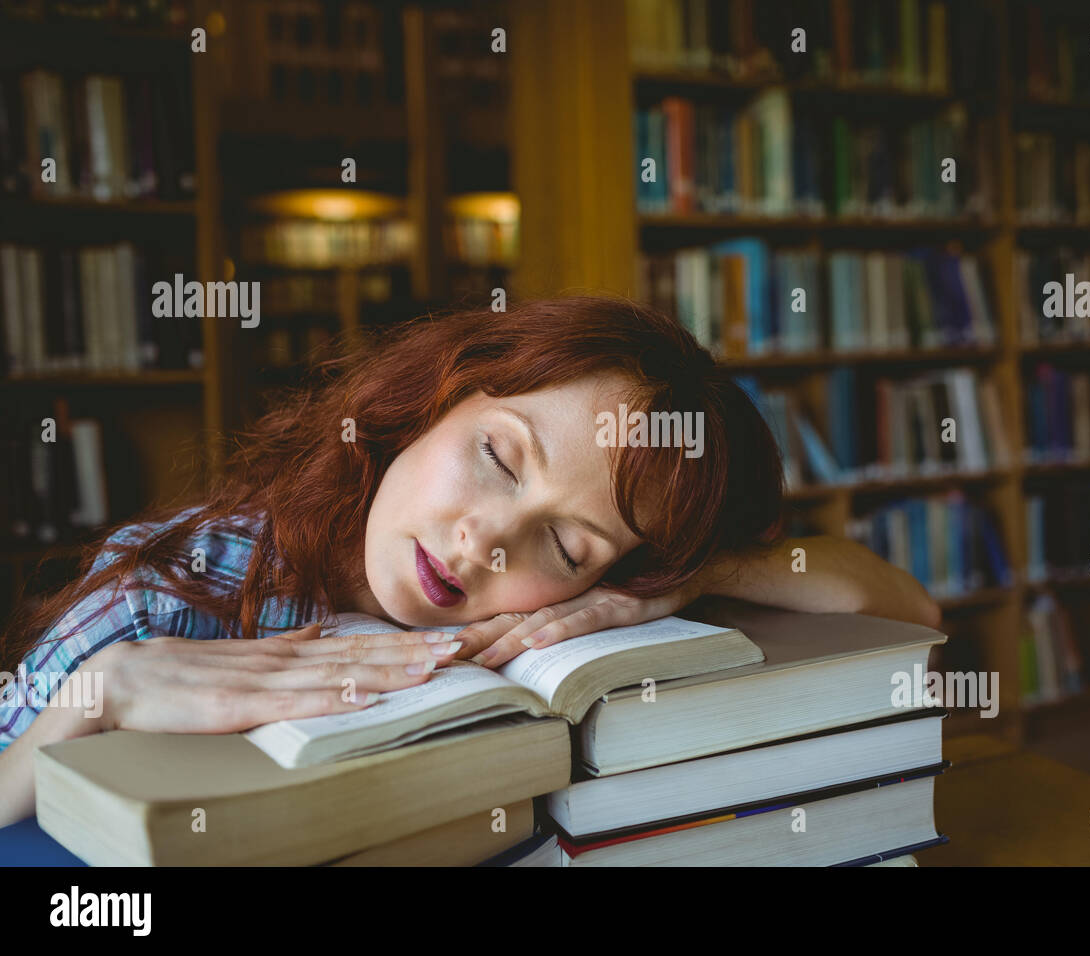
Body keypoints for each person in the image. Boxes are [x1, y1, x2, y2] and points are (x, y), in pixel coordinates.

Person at [0, 296, 939, 826]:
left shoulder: (566, 624)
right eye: (498, 456)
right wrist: (100, 696)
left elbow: (905, 603)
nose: (489, 540)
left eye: (568, 545)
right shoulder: (167, 594)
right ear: (434, 400)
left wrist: (689, 576)